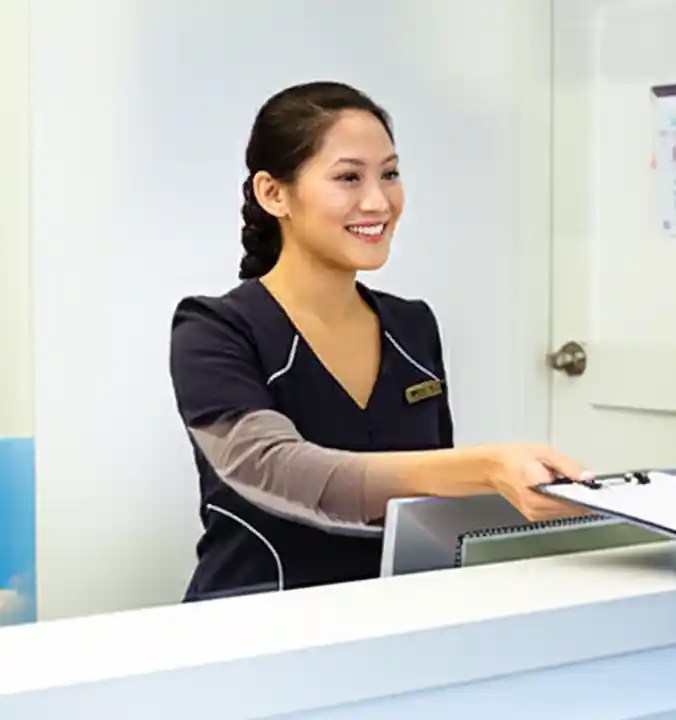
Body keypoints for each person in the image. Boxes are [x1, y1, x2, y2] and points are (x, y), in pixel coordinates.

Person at [168, 81, 586, 602]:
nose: (378, 201)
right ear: (273, 193)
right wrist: (485, 468)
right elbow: (275, 470)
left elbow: (430, 501)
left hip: (393, 620)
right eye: (348, 177)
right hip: (255, 625)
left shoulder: (413, 327)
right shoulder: (213, 329)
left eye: (389, 174)